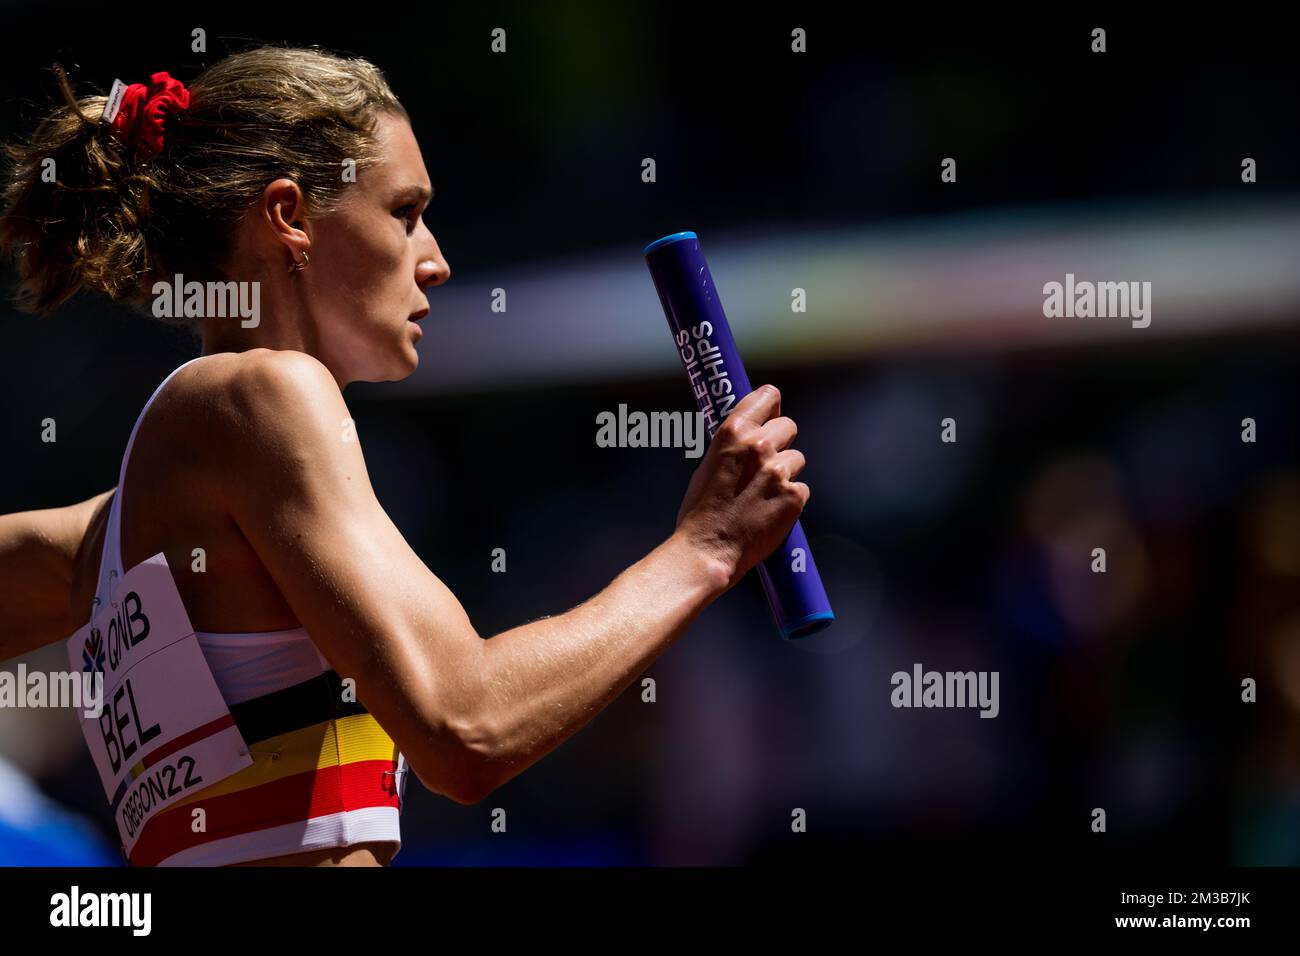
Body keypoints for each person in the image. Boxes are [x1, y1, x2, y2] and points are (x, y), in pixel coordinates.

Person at [0, 46, 810, 866]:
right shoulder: (264, 394)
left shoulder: (105, 539)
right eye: (406, 211)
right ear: (288, 217)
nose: (437, 258)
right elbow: (466, 726)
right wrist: (703, 549)